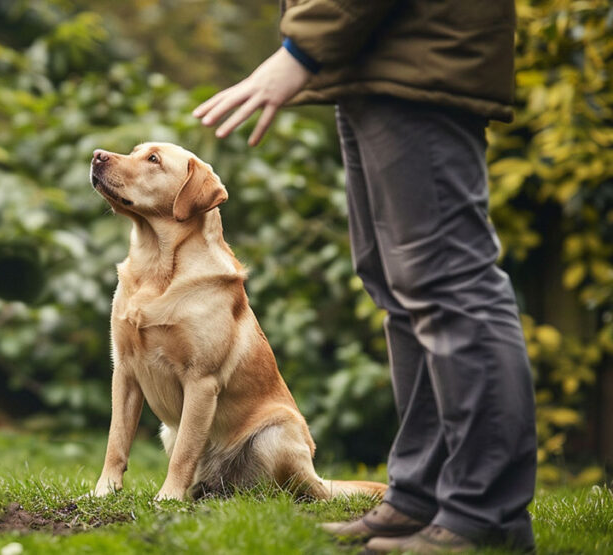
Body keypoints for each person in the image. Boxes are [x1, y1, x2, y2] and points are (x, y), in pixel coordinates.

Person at [192, 1, 537, 552]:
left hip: (420, 47)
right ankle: (420, 497)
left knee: (449, 284)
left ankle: (485, 514)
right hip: (372, 56)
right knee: (401, 287)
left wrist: (303, 47)